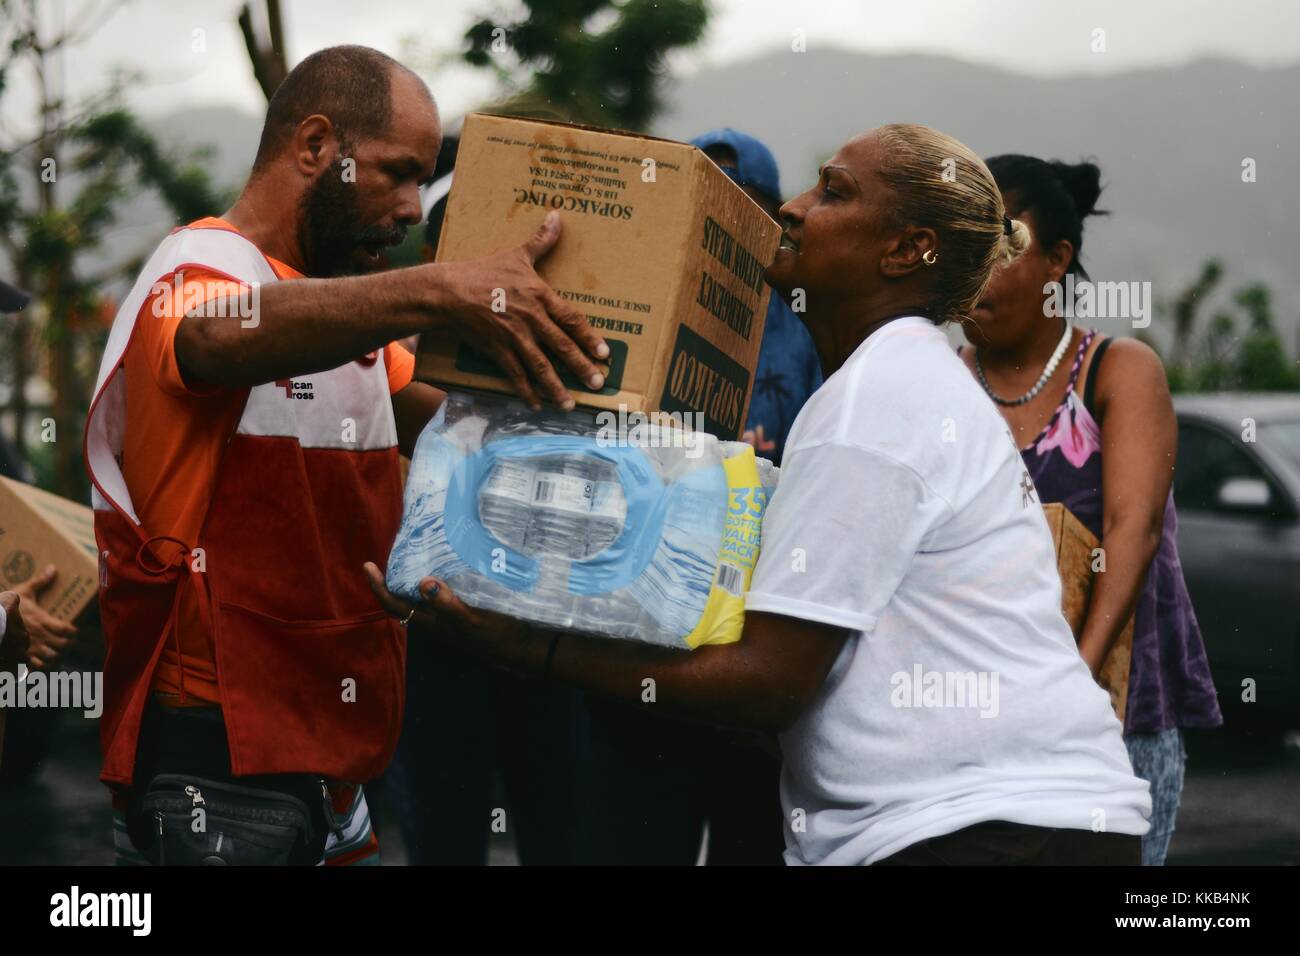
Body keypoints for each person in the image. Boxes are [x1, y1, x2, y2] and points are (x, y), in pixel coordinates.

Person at [367, 123, 1153, 865]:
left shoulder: (881, 397)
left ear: (908, 250)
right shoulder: (888, 381)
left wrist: (532, 647)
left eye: (833, 192)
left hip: (989, 833)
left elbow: (768, 679)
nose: (793, 208)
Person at [84, 45, 607, 866]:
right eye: (398, 173)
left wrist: (639, 445)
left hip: (330, 757)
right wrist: (440, 290)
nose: (411, 208)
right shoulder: (194, 271)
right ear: (315, 145)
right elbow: (218, 333)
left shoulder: (348, 320)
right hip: (218, 758)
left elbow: (466, 437)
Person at [957, 155, 1223, 865]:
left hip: (1111, 709)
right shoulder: (942, 379)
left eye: (1003, 245)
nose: (977, 268)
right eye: (967, 244)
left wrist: (1074, 680)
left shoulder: (1118, 370)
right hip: (974, 720)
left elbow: (1130, 531)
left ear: (1057, 260)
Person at [582, 129, 821, 865]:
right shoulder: (643, 301)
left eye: (737, 200)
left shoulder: (811, 321)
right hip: (646, 615)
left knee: (750, 831)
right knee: (643, 828)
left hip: (757, 622)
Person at [383, 144, 604, 865]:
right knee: (446, 826)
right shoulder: (395, 353)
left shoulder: (565, 350)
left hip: (544, 625)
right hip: (439, 626)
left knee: (558, 818)